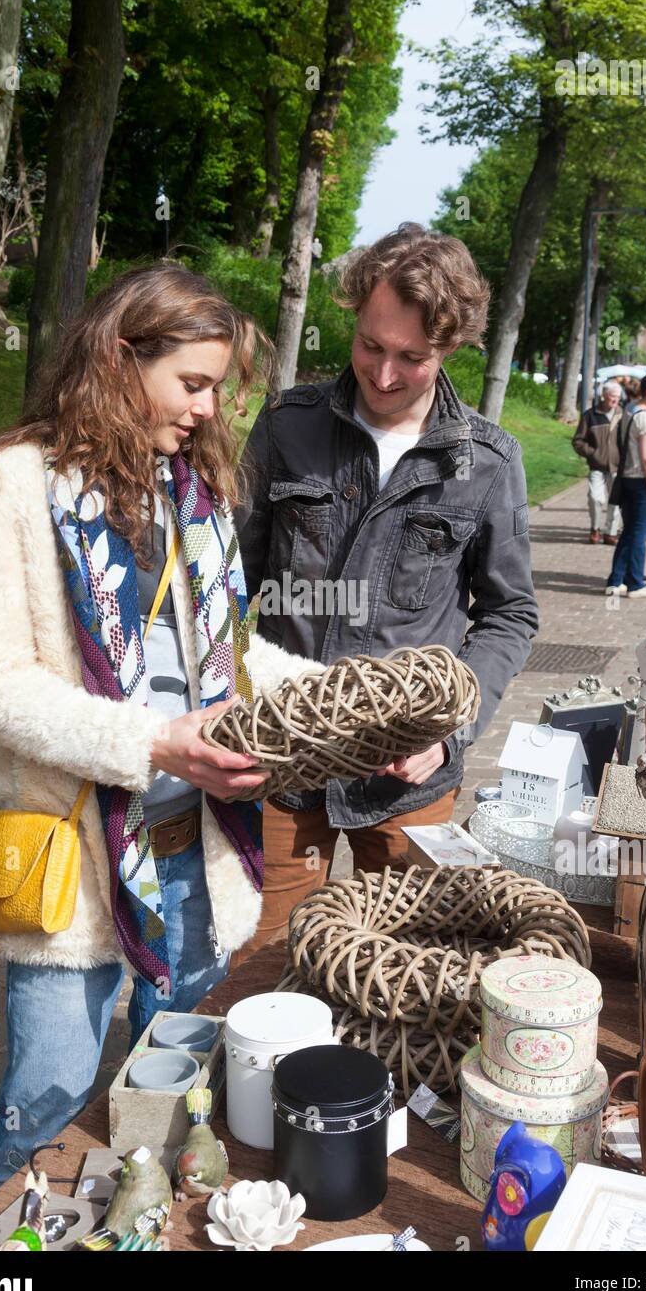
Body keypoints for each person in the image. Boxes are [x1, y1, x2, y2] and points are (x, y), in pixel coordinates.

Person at [0, 263, 318, 1204]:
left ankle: (137, 1216)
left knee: (168, 1087)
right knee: (48, 1102)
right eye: (190, 383)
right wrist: (154, 744)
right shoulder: (3, 486)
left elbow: (233, 655)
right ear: (119, 356)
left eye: (214, 389)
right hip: (74, 862)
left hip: (193, 847)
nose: (204, 410)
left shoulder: (188, 490)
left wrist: (348, 705)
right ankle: (1, 1238)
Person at [234, 223, 539, 959]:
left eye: (412, 357)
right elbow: (222, 585)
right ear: (353, 316)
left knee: (396, 971)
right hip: (282, 760)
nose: (385, 373)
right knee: (259, 963)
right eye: (372, 345)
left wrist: (449, 727)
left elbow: (510, 614)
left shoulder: (490, 462)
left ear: (453, 347)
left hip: (405, 779)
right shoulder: (286, 426)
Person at [605, 368, 646, 599]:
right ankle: (635, 583)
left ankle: (617, 579)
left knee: (630, 532)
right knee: (639, 534)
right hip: (641, 482)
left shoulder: (631, 411)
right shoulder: (645, 418)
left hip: (630, 480)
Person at [572, 380, 623, 544]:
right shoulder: (590, 415)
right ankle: (595, 528)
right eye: (611, 397)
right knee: (595, 498)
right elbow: (578, 441)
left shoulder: (622, 414)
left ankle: (611, 532)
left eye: (617, 397)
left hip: (617, 465)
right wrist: (592, 453)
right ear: (604, 396)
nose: (615, 400)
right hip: (597, 466)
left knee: (615, 501)